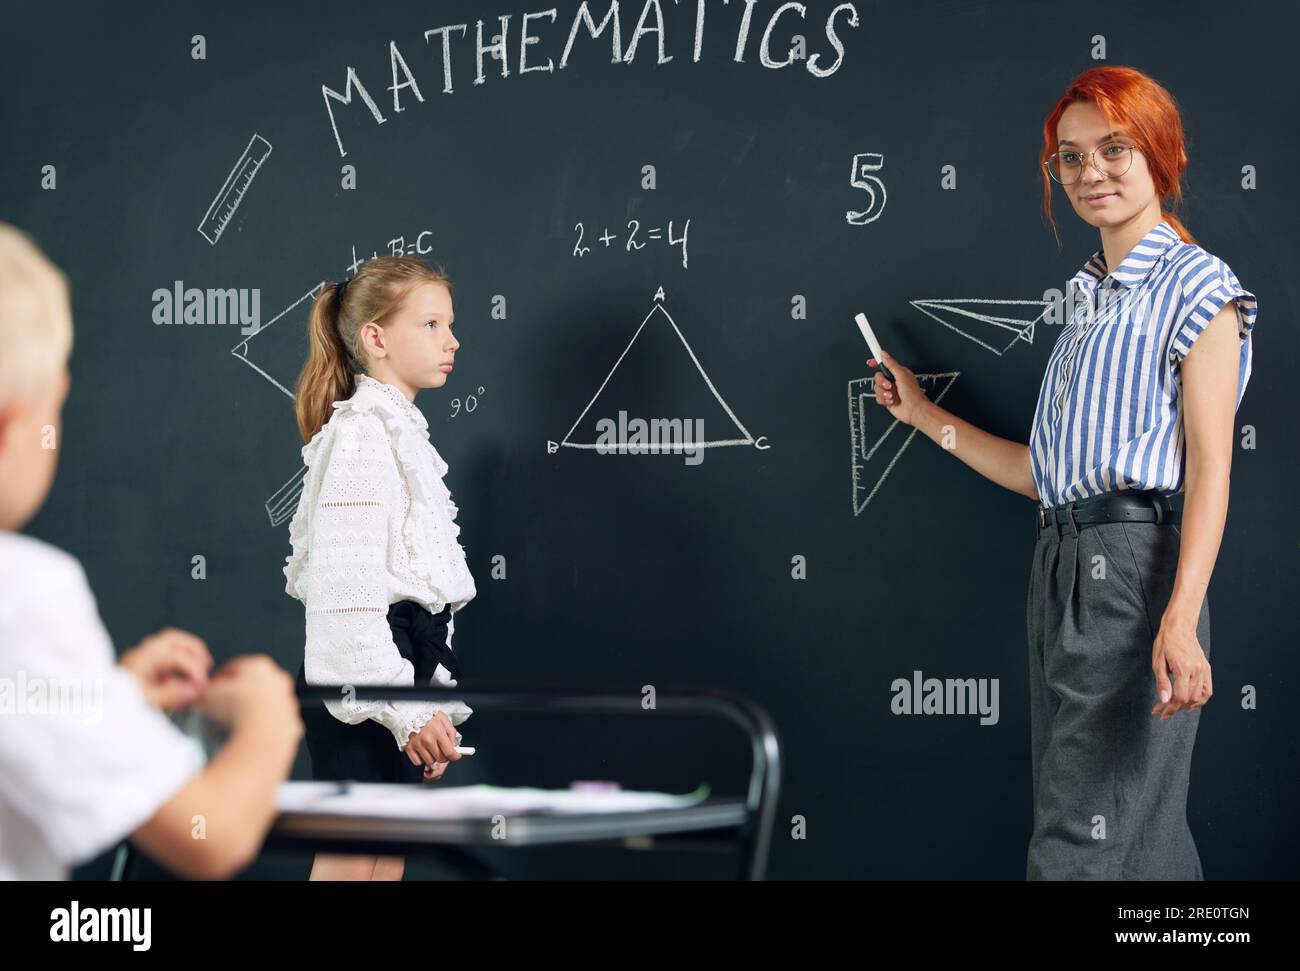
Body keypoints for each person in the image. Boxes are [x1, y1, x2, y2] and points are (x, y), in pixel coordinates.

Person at [867, 66, 1257, 879]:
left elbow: (1213, 471)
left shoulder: (1196, 285)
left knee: (1081, 841)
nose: (1091, 173)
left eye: (1113, 149)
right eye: (1069, 159)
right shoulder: (1087, 301)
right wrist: (921, 415)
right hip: (1064, 563)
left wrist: (1180, 619)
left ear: (1158, 153)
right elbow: (1047, 476)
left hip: (1131, 570)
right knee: (1135, 843)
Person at [0, 222, 302, 880]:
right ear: (9, 426)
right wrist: (269, 720)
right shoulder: (22, 593)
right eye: (56, 406)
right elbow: (212, 834)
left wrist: (106, 697)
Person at [284, 255, 476, 881]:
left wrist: (430, 707)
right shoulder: (363, 435)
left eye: (449, 324)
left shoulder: (400, 433)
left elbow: (426, 596)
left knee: (383, 861)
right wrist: (410, 713)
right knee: (352, 859)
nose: (450, 341)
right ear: (376, 337)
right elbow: (344, 608)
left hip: (399, 678)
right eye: (430, 324)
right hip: (363, 689)